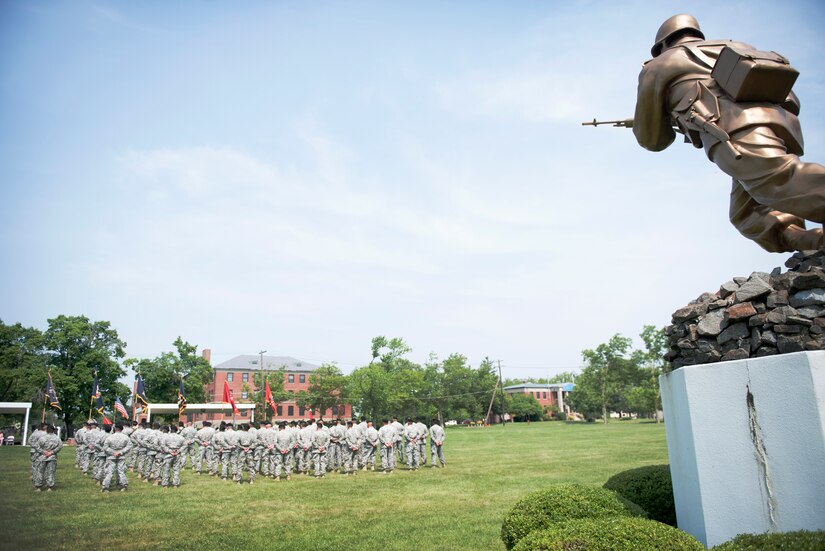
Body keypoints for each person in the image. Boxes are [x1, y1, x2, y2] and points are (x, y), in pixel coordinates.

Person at [634, 14, 825, 253]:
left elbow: (652, 139)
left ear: (662, 45)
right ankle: (815, 243)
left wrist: (665, 117)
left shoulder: (660, 64)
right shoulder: (738, 47)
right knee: (747, 215)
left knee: (778, 182)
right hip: (784, 123)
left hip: (733, 131)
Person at [102, 424, 132, 492]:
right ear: (122, 429)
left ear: (115, 429)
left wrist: (113, 452)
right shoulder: (126, 437)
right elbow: (129, 446)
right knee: (121, 471)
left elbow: (105, 447)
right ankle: (123, 486)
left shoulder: (110, 437)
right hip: (121, 457)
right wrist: (120, 452)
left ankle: (106, 487)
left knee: (109, 472)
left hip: (111, 457)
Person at [32, 425, 63, 491]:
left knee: (40, 472)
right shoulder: (57, 438)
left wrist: (43, 452)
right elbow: (60, 446)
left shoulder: (42, 438)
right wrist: (52, 452)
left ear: (46, 430)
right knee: (51, 472)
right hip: (52, 457)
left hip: (42, 457)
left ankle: (39, 487)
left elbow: (37, 446)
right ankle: (50, 487)